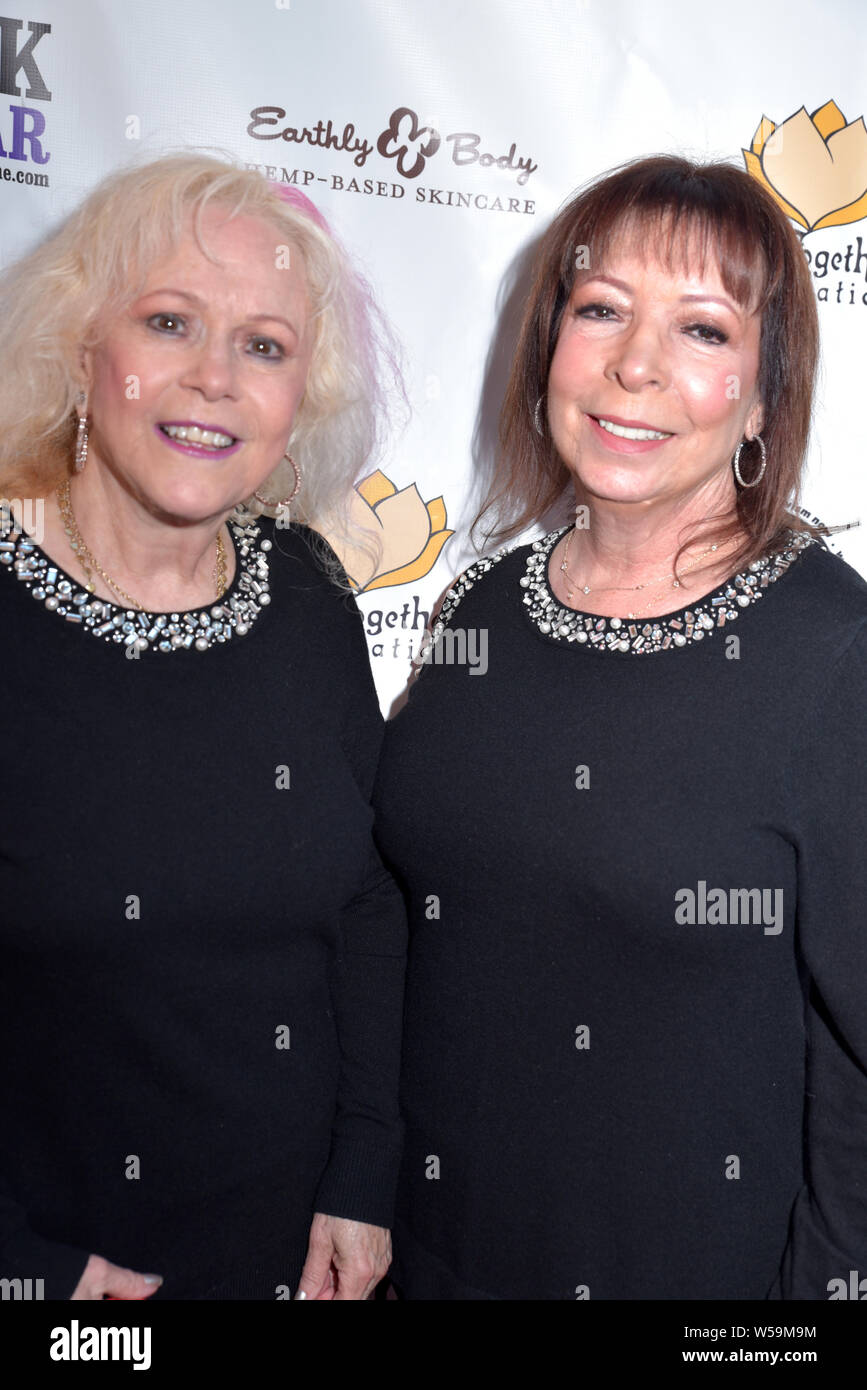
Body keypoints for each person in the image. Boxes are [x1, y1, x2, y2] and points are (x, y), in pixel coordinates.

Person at [372, 155, 867, 1300]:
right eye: (600, 310)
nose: (634, 365)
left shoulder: (835, 657)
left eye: (701, 330)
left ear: (760, 396)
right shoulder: (488, 604)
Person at [0, 154, 407, 1300]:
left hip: (303, 1259)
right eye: (171, 321)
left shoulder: (309, 592)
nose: (217, 378)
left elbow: (370, 903)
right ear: (83, 353)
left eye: (265, 345)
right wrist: (24, 1270)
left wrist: (365, 1177)